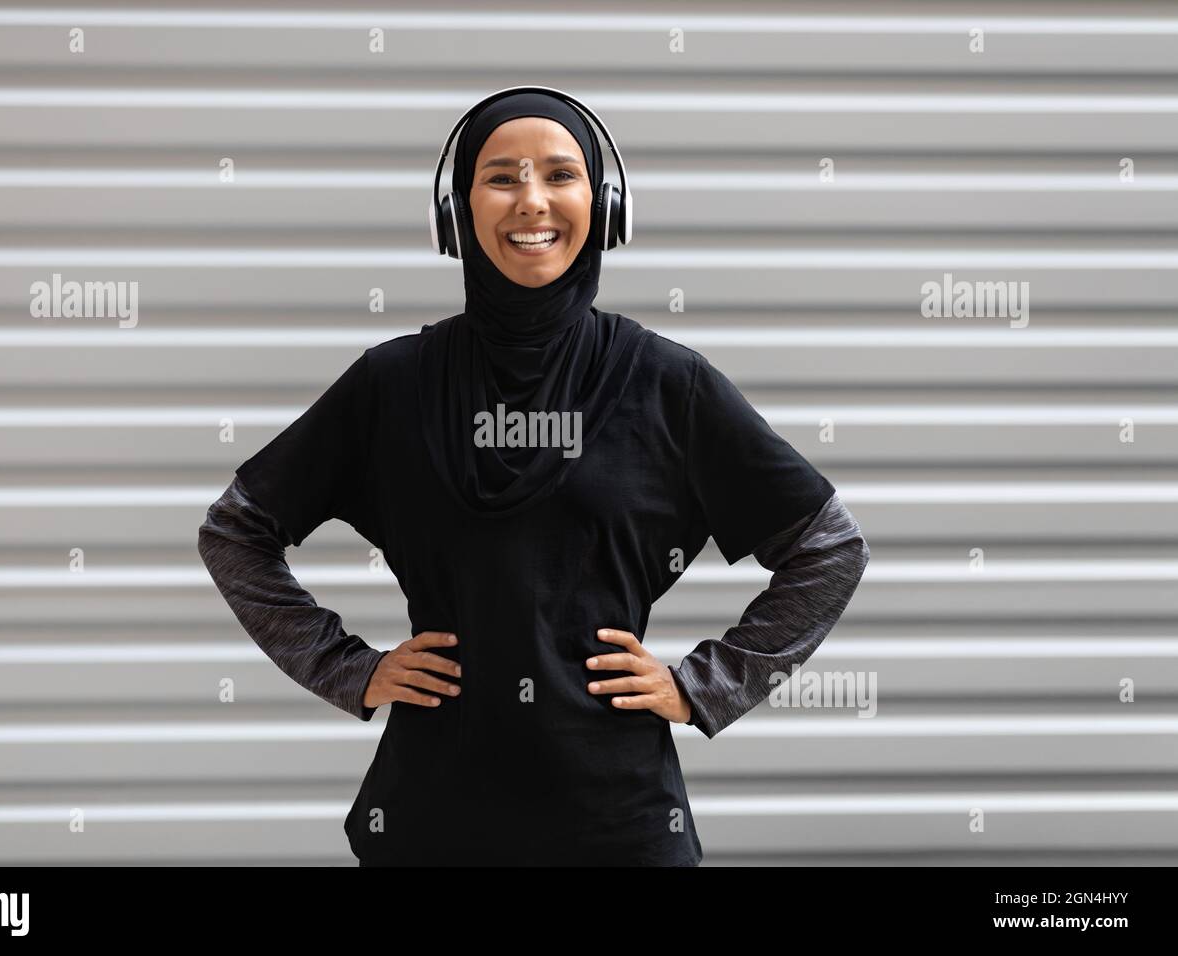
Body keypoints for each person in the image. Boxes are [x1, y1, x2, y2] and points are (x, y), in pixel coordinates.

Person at [198, 89, 870, 866]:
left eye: (560, 174)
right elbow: (236, 530)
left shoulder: (666, 383)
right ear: (457, 211)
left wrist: (703, 685)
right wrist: (349, 669)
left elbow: (829, 547)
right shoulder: (393, 384)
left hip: (620, 829)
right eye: (501, 177)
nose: (532, 202)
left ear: (604, 205)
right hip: (429, 825)